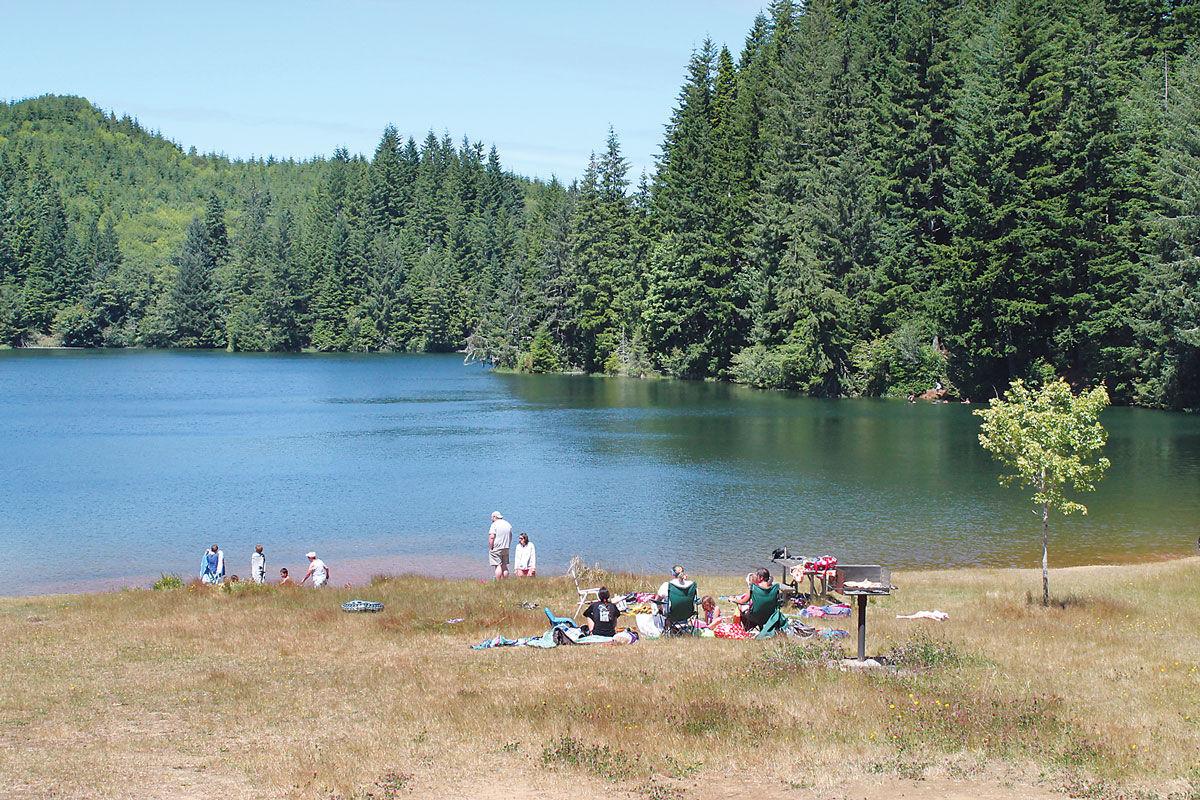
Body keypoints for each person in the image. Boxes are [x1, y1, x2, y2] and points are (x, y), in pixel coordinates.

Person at [732, 567, 786, 638]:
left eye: (756, 576)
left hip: (754, 616)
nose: (755, 577)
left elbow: (743, 601)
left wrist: (734, 599)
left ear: (761, 578)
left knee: (740, 607)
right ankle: (761, 629)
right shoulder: (774, 588)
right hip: (770, 616)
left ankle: (746, 630)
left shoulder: (753, 588)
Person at [487, 511, 512, 580]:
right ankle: (505, 581)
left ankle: (498, 582)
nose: (491, 519)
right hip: (506, 547)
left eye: (492, 517)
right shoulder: (507, 524)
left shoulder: (494, 525)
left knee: (498, 565)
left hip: (497, 547)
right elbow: (510, 535)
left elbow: (492, 537)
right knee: (504, 565)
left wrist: (491, 546)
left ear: (495, 517)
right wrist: (508, 544)